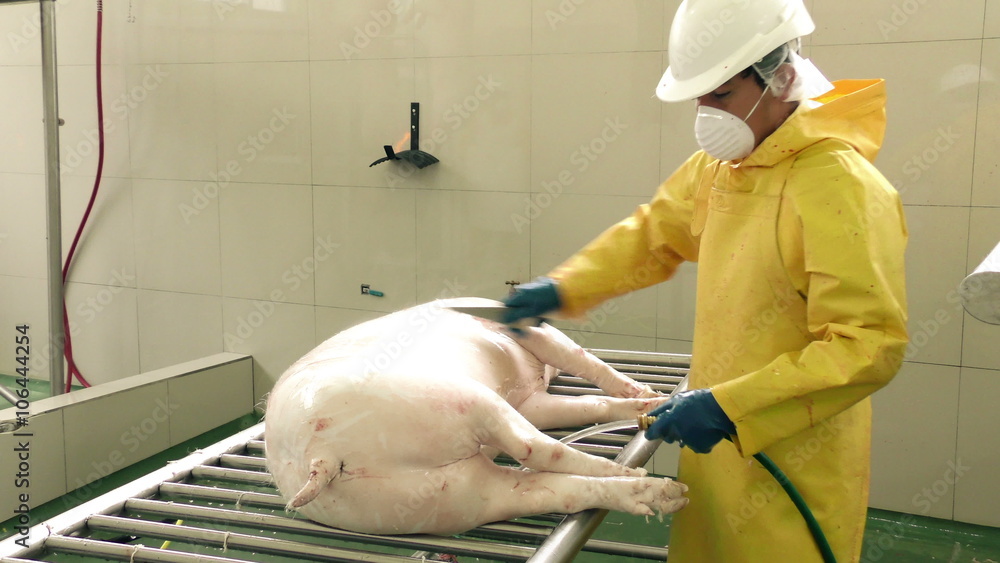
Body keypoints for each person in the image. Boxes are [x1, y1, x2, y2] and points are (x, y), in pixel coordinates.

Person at [502, 0, 909, 561]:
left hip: (791, 455)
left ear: (783, 78)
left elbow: (869, 345)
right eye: (699, 96)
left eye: (721, 96)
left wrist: (728, 405)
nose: (706, 113)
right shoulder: (721, 170)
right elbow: (653, 235)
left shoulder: (841, 187)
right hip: (717, 444)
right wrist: (566, 286)